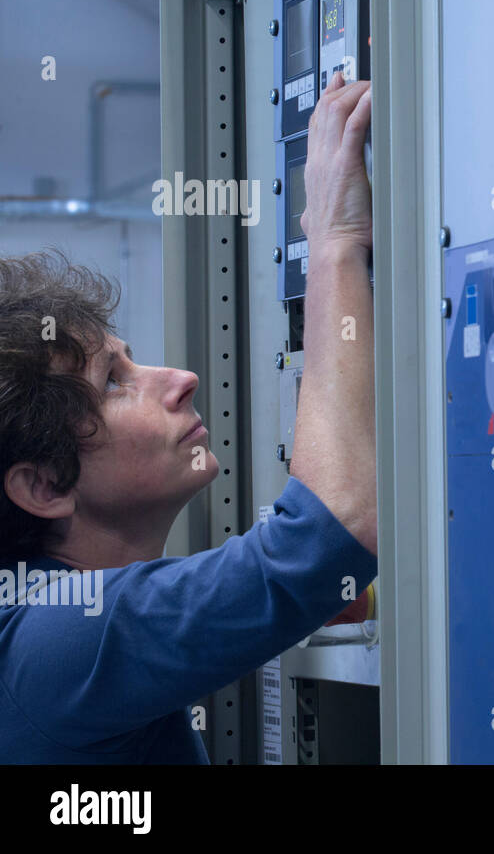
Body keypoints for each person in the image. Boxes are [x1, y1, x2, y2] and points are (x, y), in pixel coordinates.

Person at [0, 73, 376, 763]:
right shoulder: (63, 640)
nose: (181, 380)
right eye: (115, 383)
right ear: (43, 486)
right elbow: (334, 533)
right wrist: (335, 238)